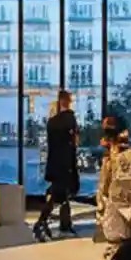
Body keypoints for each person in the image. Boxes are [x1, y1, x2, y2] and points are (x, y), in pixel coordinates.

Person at [34, 90, 79, 241]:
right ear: (66, 101)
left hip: (54, 162)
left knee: (61, 194)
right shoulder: (69, 118)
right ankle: (42, 222)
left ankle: (64, 223)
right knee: (58, 194)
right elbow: (74, 142)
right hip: (65, 163)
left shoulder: (52, 122)